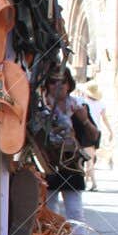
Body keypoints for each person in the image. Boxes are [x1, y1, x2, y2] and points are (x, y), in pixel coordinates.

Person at [40, 69, 97, 222]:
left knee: (75, 212)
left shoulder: (78, 107)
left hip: (71, 166)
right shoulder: (40, 108)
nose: (57, 85)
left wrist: (84, 120)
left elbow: (94, 137)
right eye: (53, 81)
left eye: (62, 81)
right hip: (48, 166)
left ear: (69, 84)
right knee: (49, 214)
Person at [80, 82, 113, 189]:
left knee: (86, 159)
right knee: (91, 158)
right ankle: (87, 180)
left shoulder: (83, 103)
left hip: (86, 132)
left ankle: (93, 182)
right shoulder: (101, 104)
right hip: (97, 132)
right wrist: (110, 130)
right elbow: (104, 119)